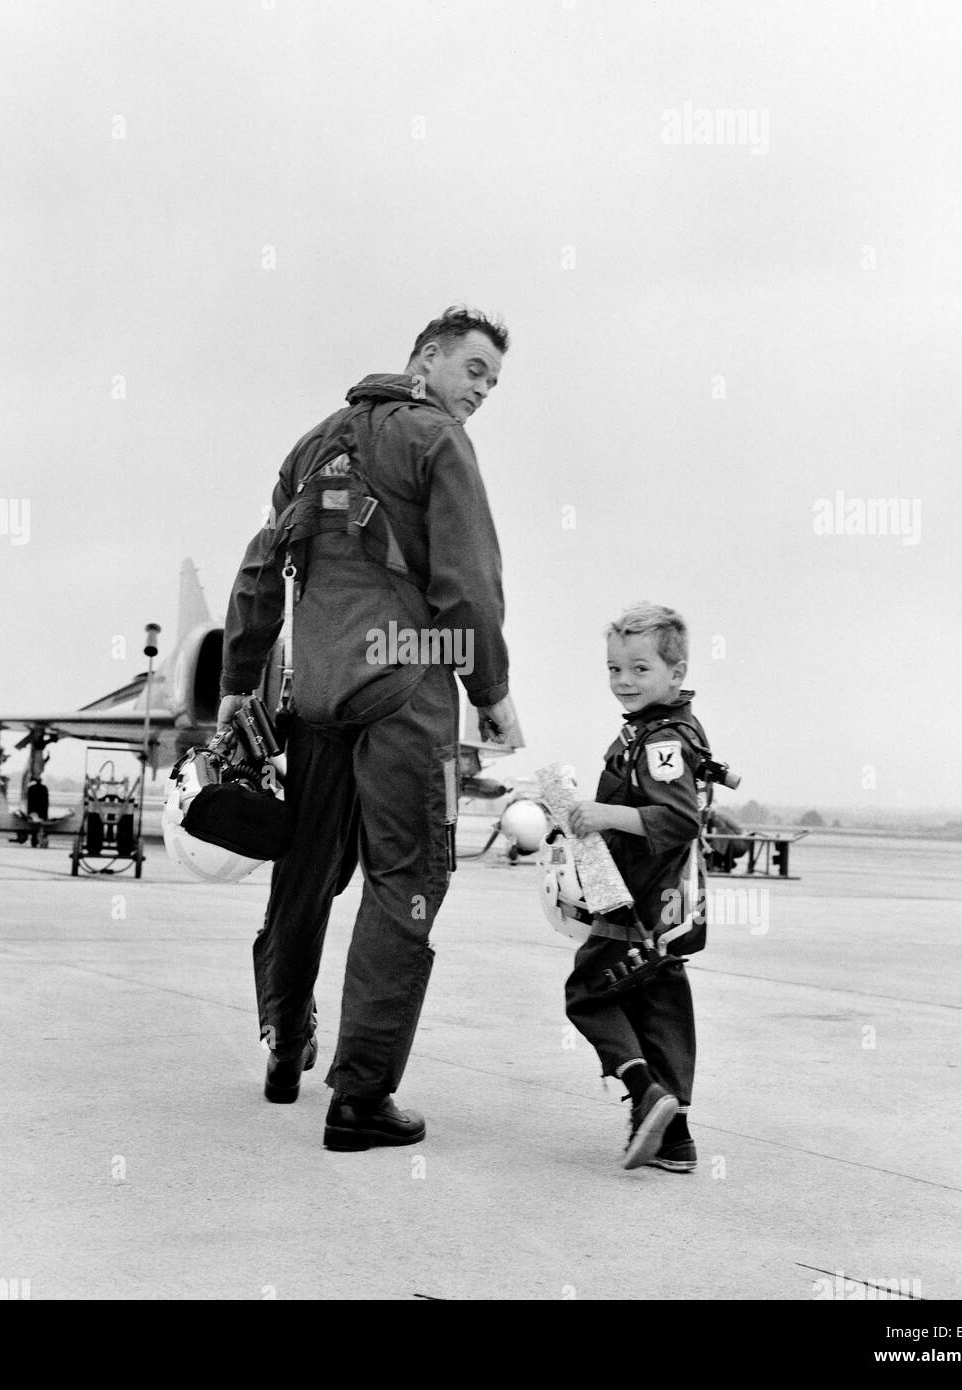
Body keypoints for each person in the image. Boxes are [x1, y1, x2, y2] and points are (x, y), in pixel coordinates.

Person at [218, 305, 521, 1150]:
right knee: (406, 879)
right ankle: (360, 1098)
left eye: (493, 381)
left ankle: (285, 1046)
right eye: (474, 370)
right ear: (425, 360)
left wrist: (240, 682)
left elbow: (257, 570)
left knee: (304, 873)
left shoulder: (311, 446)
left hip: (313, 697)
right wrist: (492, 690)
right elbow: (470, 584)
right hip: (405, 692)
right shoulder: (437, 442)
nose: (483, 392)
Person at [564, 603, 708, 1172]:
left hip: (637, 903)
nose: (624, 681)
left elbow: (677, 821)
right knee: (658, 1006)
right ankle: (676, 1139)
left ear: (676, 674)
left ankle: (642, 1085)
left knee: (589, 992)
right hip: (666, 904)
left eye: (640, 669)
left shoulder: (661, 743)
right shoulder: (649, 732)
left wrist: (601, 815)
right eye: (614, 669)